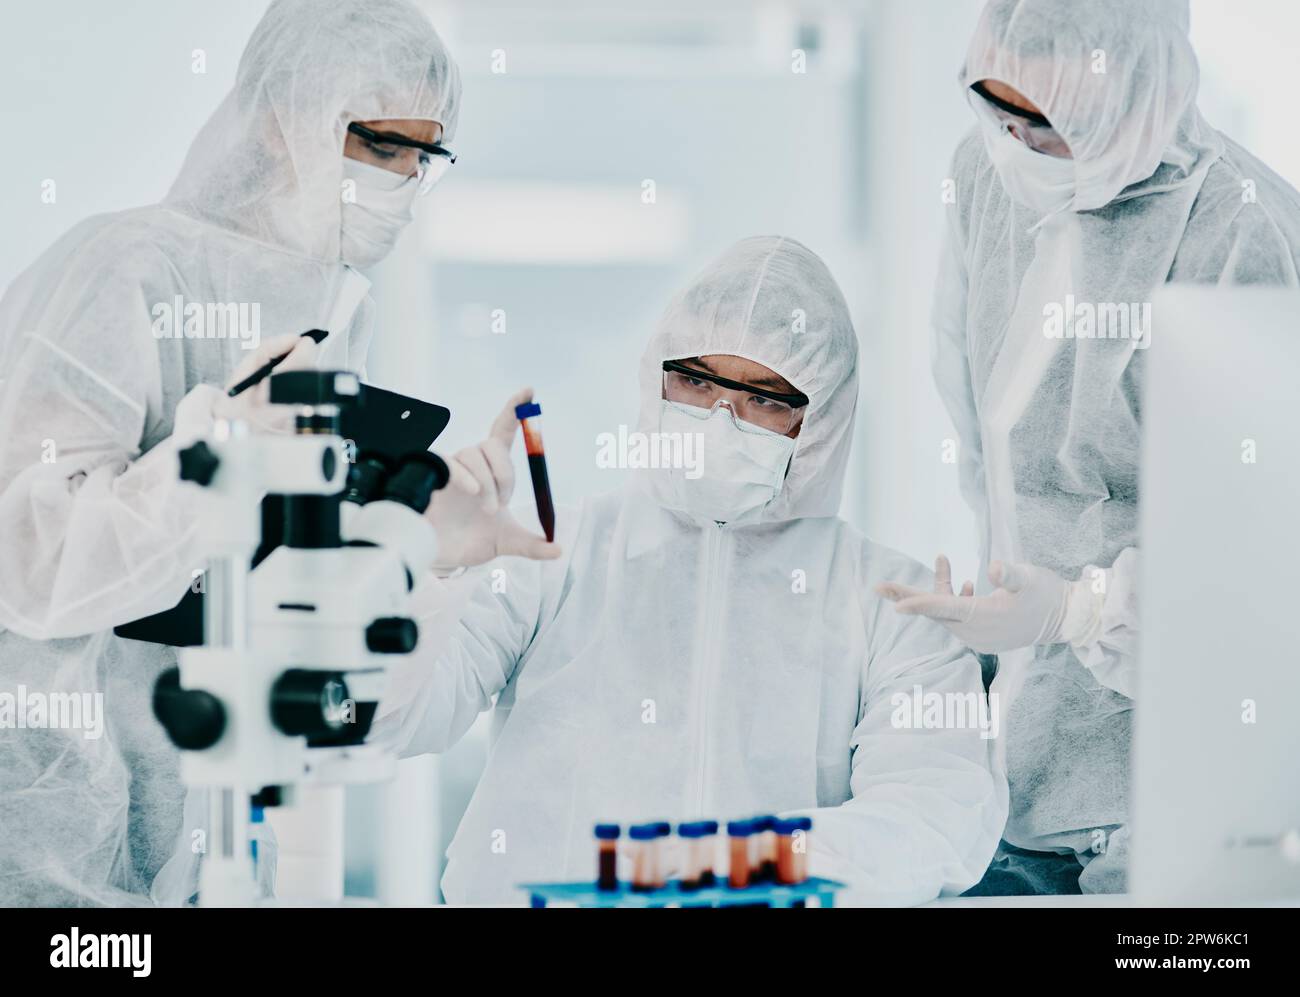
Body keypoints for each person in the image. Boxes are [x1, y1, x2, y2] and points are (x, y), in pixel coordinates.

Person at [381, 236, 1007, 906]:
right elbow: (394, 719)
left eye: (765, 397)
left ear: (821, 421)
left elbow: (932, 815)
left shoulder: (891, 605)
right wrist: (427, 568)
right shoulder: (555, 553)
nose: (720, 420)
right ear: (658, 376)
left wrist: (722, 875)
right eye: (698, 381)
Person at [0, 0, 463, 906]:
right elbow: (33, 559)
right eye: (377, 145)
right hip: (45, 807)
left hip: (202, 814)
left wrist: (417, 546)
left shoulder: (330, 312)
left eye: (422, 155)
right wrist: (222, 456)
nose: (402, 179)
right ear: (280, 119)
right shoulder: (123, 266)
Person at [878, 0, 1300, 894]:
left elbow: (1266, 559)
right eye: (994, 106)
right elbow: (988, 445)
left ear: (1135, 97)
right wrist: (1005, 611)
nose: (1015, 145)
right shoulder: (987, 180)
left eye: (1049, 124)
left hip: (1182, 781)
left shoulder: (1244, 231)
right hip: (1017, 773)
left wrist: (1081, 608)